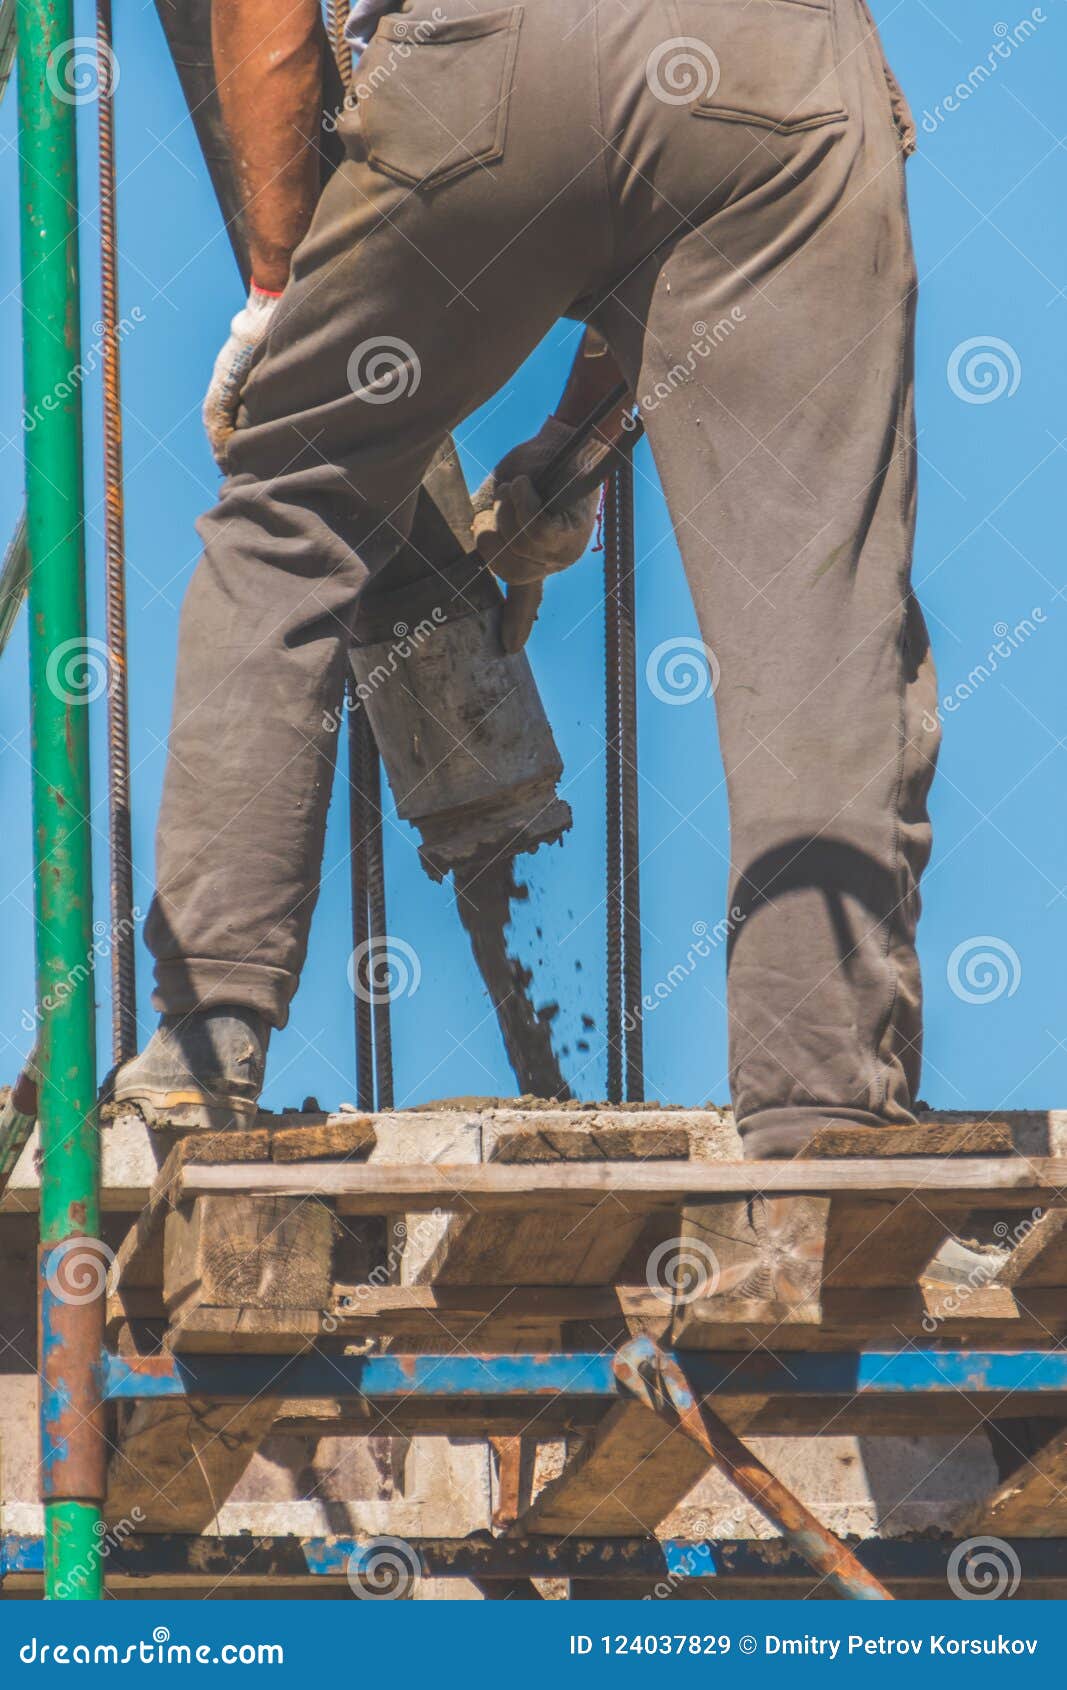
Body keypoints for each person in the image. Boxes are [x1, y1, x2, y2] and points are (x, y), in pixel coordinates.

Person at [114, 0, 938, 1159]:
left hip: (486, 59)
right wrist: (583, 431)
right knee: (818, 599)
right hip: (778, 76)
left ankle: (204, 1050)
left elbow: (266, 13)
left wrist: (271, 292)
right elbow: (667, 125)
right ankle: (818, 1110)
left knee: (291, 510)